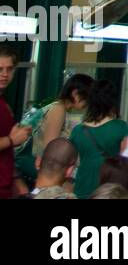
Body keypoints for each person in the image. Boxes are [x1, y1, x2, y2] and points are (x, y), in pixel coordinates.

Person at [14, 72, 92, 190]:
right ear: (75, 94)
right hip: (37, 167)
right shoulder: (58, 110)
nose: (88, 103)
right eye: (87, 98)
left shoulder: (58, 109)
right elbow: (50, 148)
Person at [69, 79, 128, 199]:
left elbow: (73, 163)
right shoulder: (121, 128)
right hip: (109, 188)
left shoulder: (78, 131)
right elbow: (127, 161)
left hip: (82, 186)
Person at [0, 45, 32, 198]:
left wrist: (16, 178)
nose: (5, 74)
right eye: (0, 69)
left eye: (9, 69)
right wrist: (12, 139)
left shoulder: (4, 103)